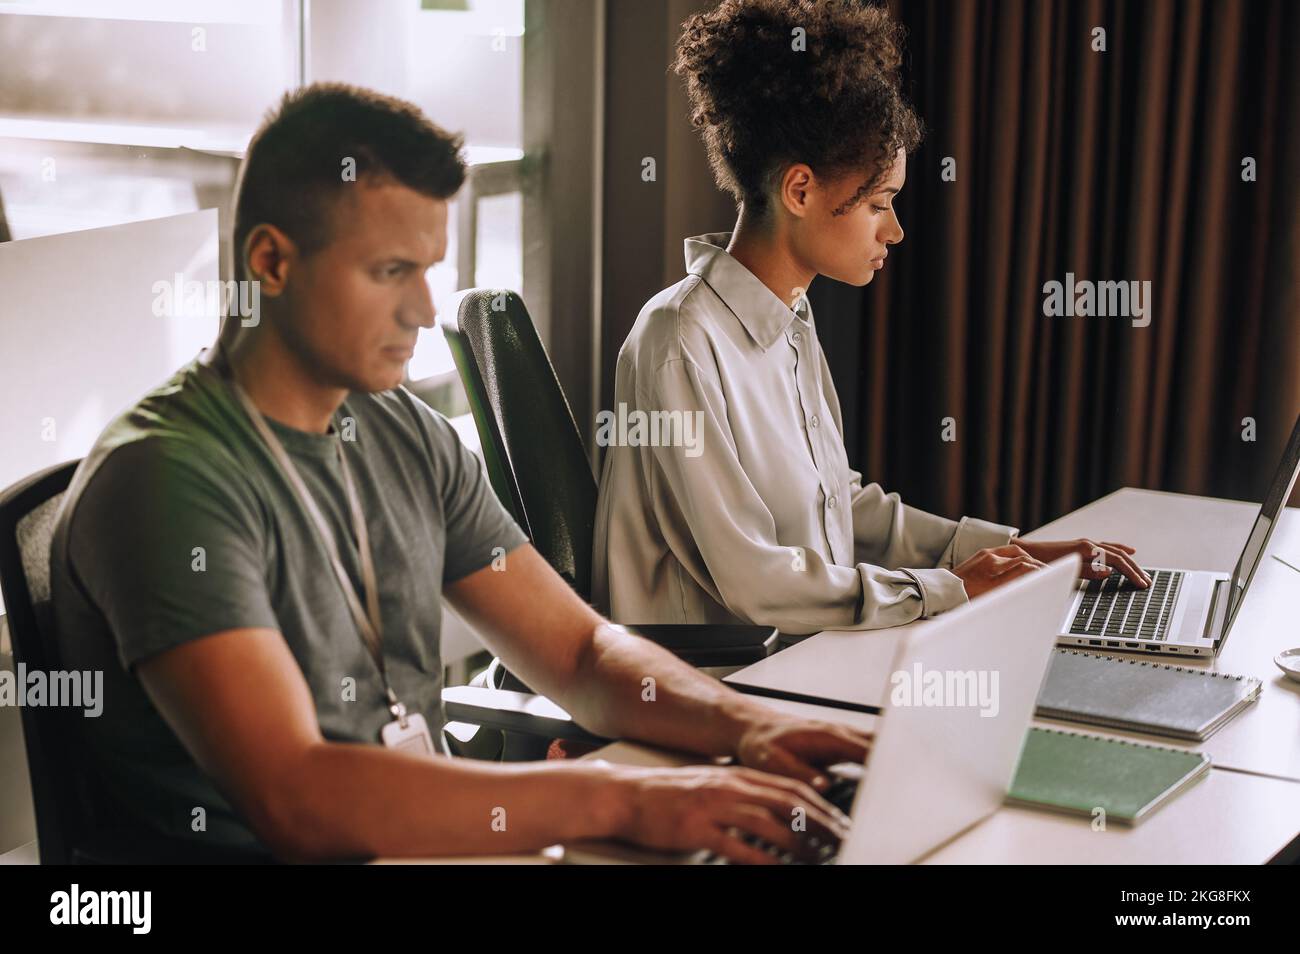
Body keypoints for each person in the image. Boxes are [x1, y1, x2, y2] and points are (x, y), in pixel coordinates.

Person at [49, 83, 870, 865]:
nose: (424, 309)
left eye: (431, 269)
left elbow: (580, 653)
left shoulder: (399, 427)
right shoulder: (163, 480)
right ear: (271, 261)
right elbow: (298, 797)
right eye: (390, 271)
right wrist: (619, 799)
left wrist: (747, 728)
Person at [593, 0, 1149, 635]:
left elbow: (837, 508)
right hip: (723, 687)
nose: (897, 230)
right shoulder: (679, 341)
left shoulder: (790, 320)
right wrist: (948, 589)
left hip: (801, 655)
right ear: (800, 191)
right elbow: (754, 579)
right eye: (879, 203)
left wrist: (1014, 552)